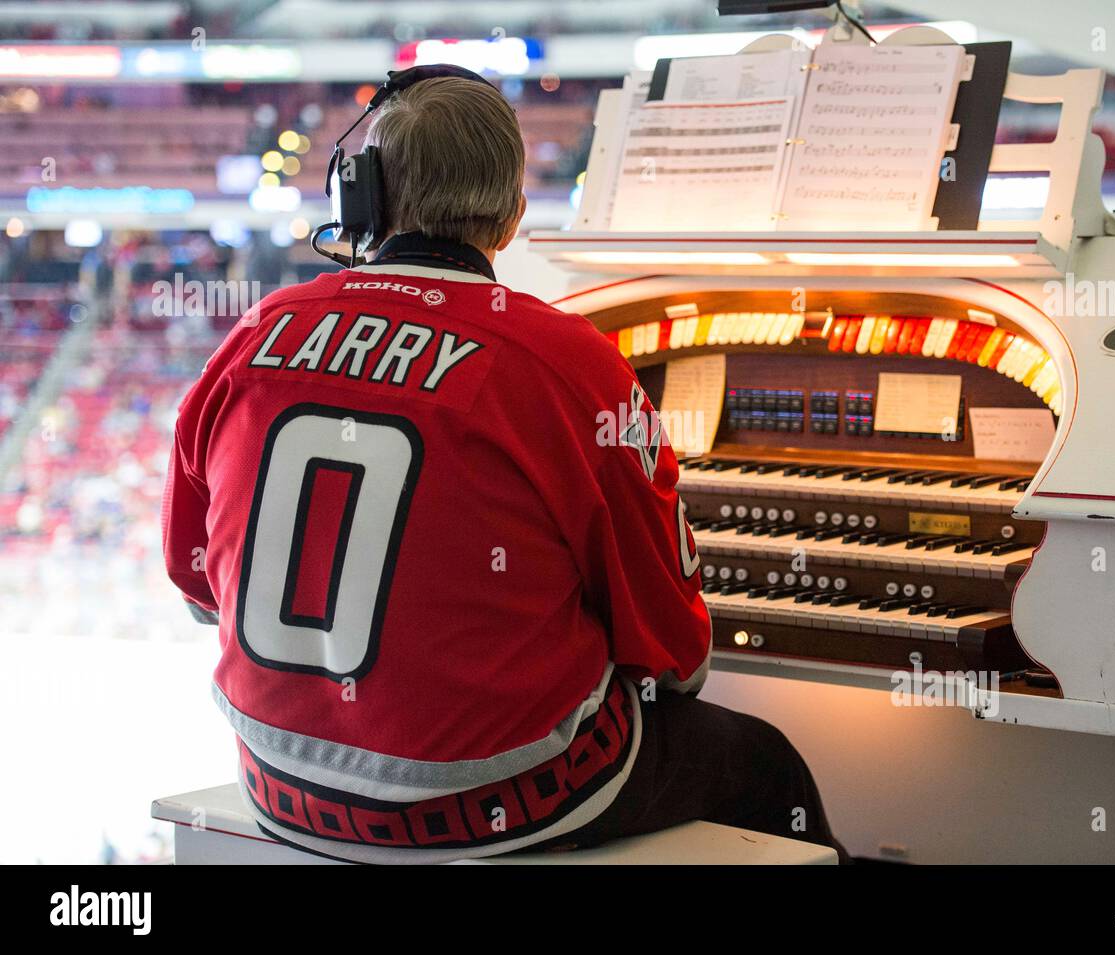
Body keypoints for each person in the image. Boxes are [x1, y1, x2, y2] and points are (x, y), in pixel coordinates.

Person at [161, 71, 847, 864]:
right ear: (514, 218)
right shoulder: (565, 361)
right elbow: (674, 654)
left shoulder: (255, 333)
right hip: (499, 798)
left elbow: (197, 581)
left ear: (366, 201)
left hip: (278, 781)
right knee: (772, 767)